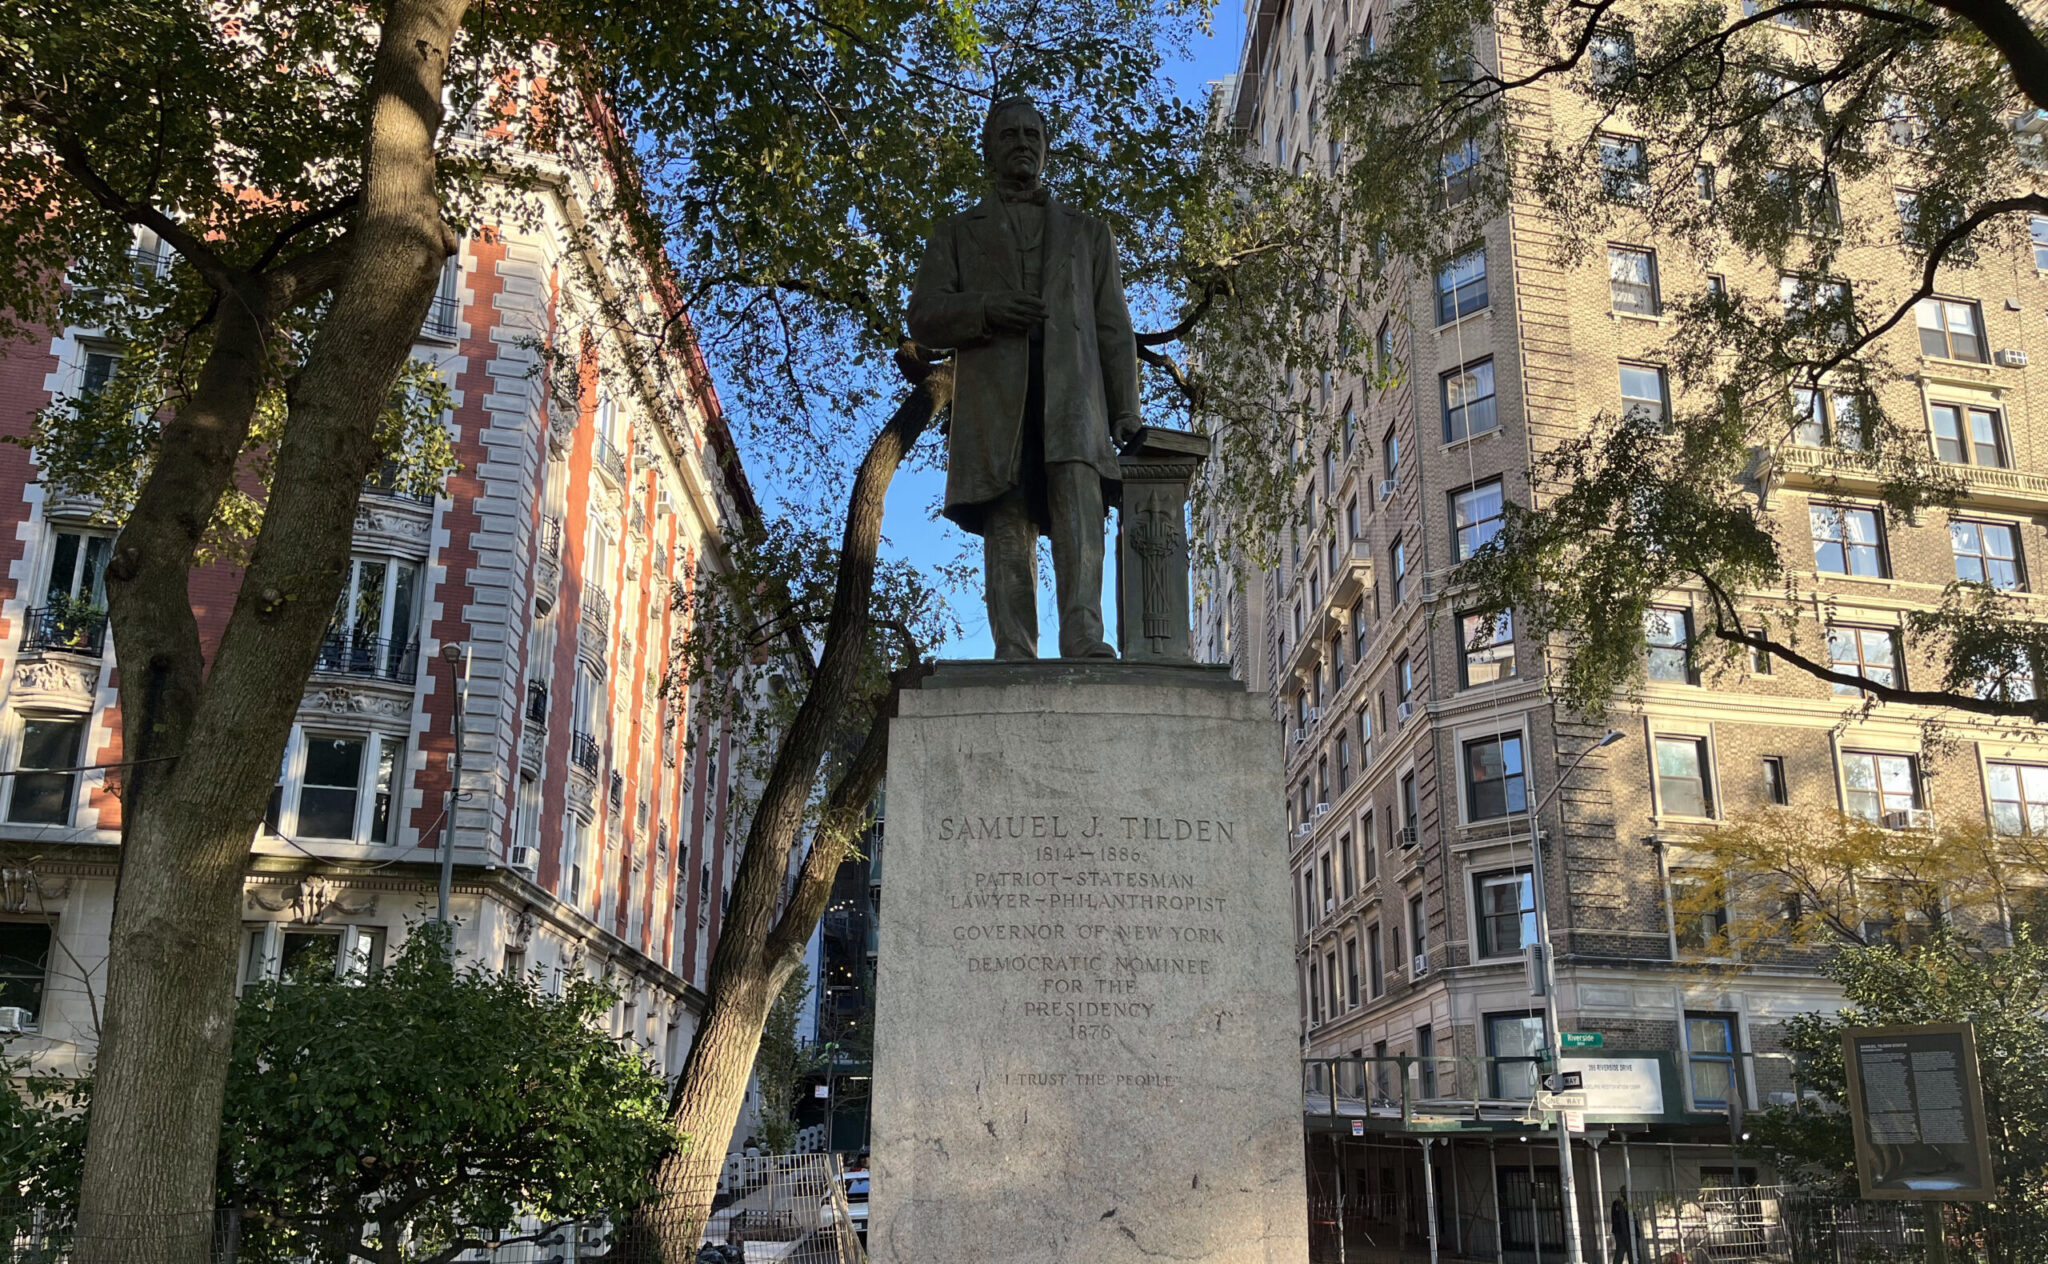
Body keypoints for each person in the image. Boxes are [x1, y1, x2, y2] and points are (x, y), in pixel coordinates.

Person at [908, 96, 1144, 660]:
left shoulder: (1089, 234)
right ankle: (1013, 647)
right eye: (1009, 134)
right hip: (996, 401)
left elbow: (1114, 328)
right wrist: (986, 309)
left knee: (1079, 507)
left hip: (1073, 398)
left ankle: (1084, 636)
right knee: (1007, 510)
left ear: (1047, 148)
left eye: (1032, 134)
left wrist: (1124, 410)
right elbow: (924, 316)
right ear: (988, 149)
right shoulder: (958, 233)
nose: (1022, 143)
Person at [1611, 1193, 1635, 1263]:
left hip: (1620, 1230)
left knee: (1622, 1248)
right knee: (1622, 1248)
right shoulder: (1621, 1203)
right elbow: (1621, 1218)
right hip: (1621, 1230)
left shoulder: (1621, 1203)